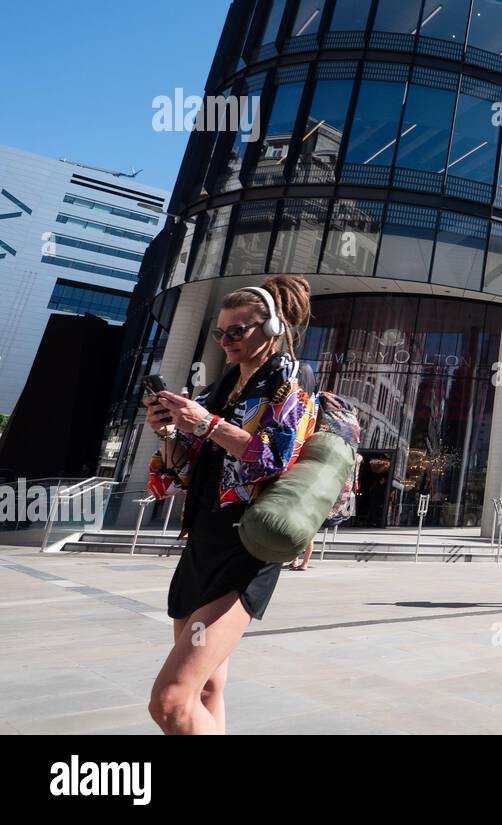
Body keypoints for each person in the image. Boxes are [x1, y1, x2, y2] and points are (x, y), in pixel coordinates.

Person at [145, 277, 317, 735]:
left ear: (273, 327)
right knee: (205, 690)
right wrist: (168, 429)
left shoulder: (291, 383)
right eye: (221, 333)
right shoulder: (221, 388)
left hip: (245, 549)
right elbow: (182, 470)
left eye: (237, 332)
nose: (226, 342)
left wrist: (206, 424)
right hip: (201, 540)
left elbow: (273, 455)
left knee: (169, 702)